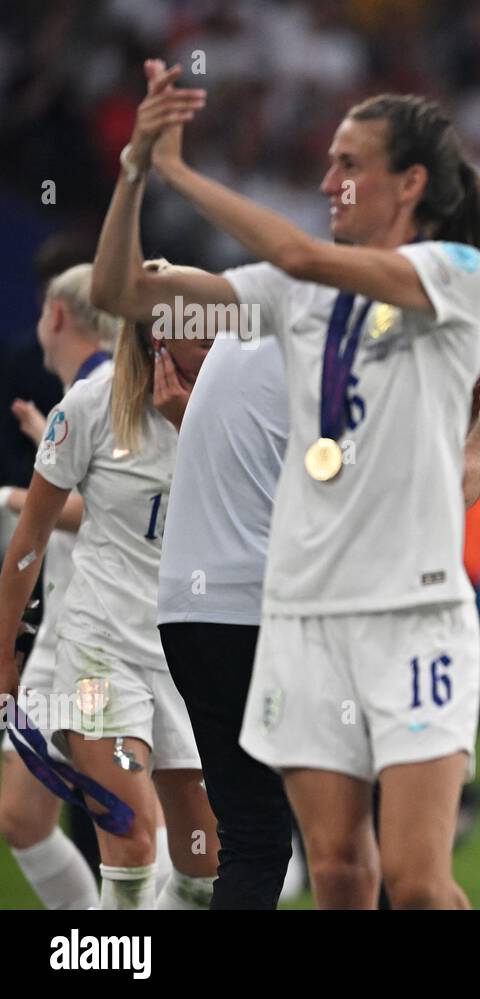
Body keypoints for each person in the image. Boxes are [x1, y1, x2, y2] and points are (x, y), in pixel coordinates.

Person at [91, 60, 480, 909]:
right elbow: (123, 292)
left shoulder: (456, 273)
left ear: (411, 181)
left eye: (350, 163)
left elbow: (299, 251)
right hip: (304, 617)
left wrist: (178, 170)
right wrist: (133, 171)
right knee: (339, 871)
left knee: (417, 883)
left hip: (413, 613)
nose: (329, 179)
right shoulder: (283, 295)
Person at [0, 256, 218, 911]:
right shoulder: (89, 409)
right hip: (100, 648)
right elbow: (29, 541)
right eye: (201, 335)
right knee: (127, 838)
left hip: (189, 652)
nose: (215, 348)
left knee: (205, 863)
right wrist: (5, 657)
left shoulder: (228, 410)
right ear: (158, 334)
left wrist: (190, 424)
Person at [0, 264, 114, 909]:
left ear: (58, 316)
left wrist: (17, 497)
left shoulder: (103, 391)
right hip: (63, 631)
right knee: (22, 814)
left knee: (124, 813)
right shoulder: (87, 395)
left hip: (105, 633)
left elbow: (112, 510)